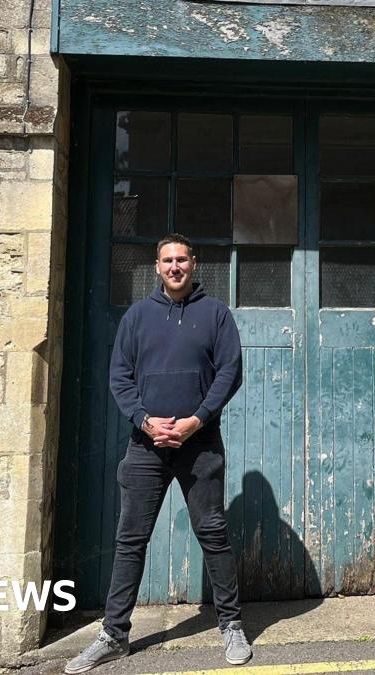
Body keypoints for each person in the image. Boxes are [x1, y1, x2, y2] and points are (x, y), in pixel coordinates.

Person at [65, 233, 250, 673]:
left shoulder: (216, 315)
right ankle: (113, 635)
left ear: (194, 263)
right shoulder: (137, 316)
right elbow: (120, 378)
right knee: (131, 540)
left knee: (213, 535)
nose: (174, 267)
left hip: (199, 443)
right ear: (157, 267)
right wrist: (146, 421)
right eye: (167, 260)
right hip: (146, 445)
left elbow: (230, 372)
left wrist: (196, 420)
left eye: (181, 259)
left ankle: (231, 624)